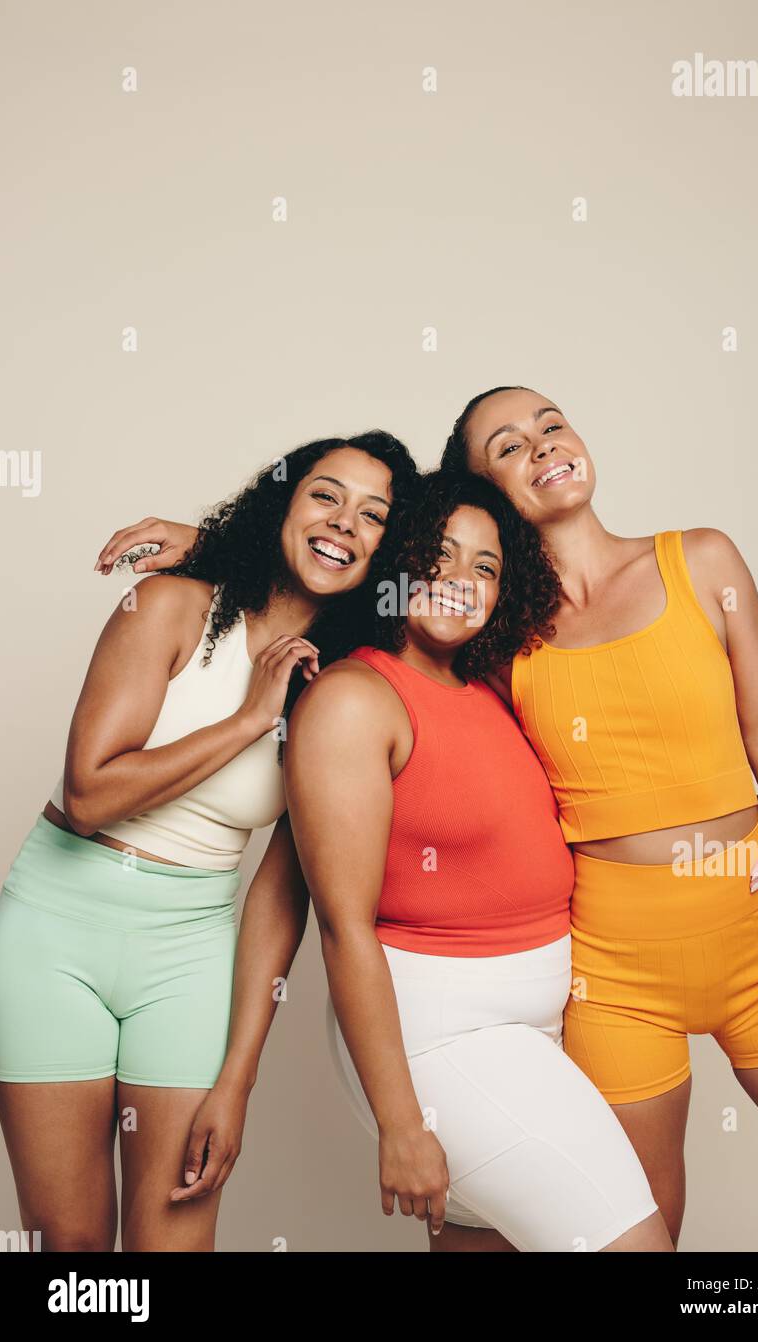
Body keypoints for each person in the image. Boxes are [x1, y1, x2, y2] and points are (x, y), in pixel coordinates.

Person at [438, 385, 758, 1240]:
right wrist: (237, 550)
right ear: (485, 493)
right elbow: (368, 599)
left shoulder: (700, 559)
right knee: (639, 1238)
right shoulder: (496, 632)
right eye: (509, 446)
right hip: (611, 977)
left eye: (550, 423)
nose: (543, 444)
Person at [0, 432, 417, 1251]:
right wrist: (247, 722)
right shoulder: (167, 606)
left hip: (189, 954)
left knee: (173, 1250)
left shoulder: (342, 690)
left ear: (387, 552)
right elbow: (88, 794)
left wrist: (238, 1079)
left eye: (374, 517)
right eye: (325, 496)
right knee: (70, 1254)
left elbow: (280, 892)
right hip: (53, 934)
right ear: (283, 502)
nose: (344, 524)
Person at [284, 470, 673, 1252]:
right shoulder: (356, 699)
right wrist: (400, 1123)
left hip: (531, 1029)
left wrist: (751, 814)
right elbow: (341, 924)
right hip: (440, 1042)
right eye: (439, 554)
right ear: (396, 562)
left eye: (486, 567)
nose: (461, 582)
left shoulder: (488, 689)